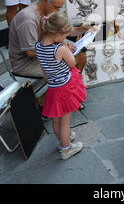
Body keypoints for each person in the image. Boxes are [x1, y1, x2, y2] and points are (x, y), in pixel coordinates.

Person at [8, 0, 90, 106]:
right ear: (45, 1)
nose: (58, 11)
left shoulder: (46, 13)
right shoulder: (28, 19)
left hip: (42, 54)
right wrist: (61, 49)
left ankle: (65, 95)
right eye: (56, 7)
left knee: (81, 57)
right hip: (25, 63)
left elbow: (61, 31)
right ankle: (43, 102)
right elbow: (30, 52)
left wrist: (85, 29)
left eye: (60, 7)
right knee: (65, 68)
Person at [35, 11, 86, 160]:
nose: (66, 39)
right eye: (65, 36)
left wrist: (62, 44)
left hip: (53, 87)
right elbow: (72, 62)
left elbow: (45, 69)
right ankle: (66, 148)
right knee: (65, 122)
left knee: (57, 119)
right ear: (57, 35)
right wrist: (66, 47)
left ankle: (63, 140)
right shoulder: (59, 48)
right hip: (65, 88)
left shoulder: (38, 46)